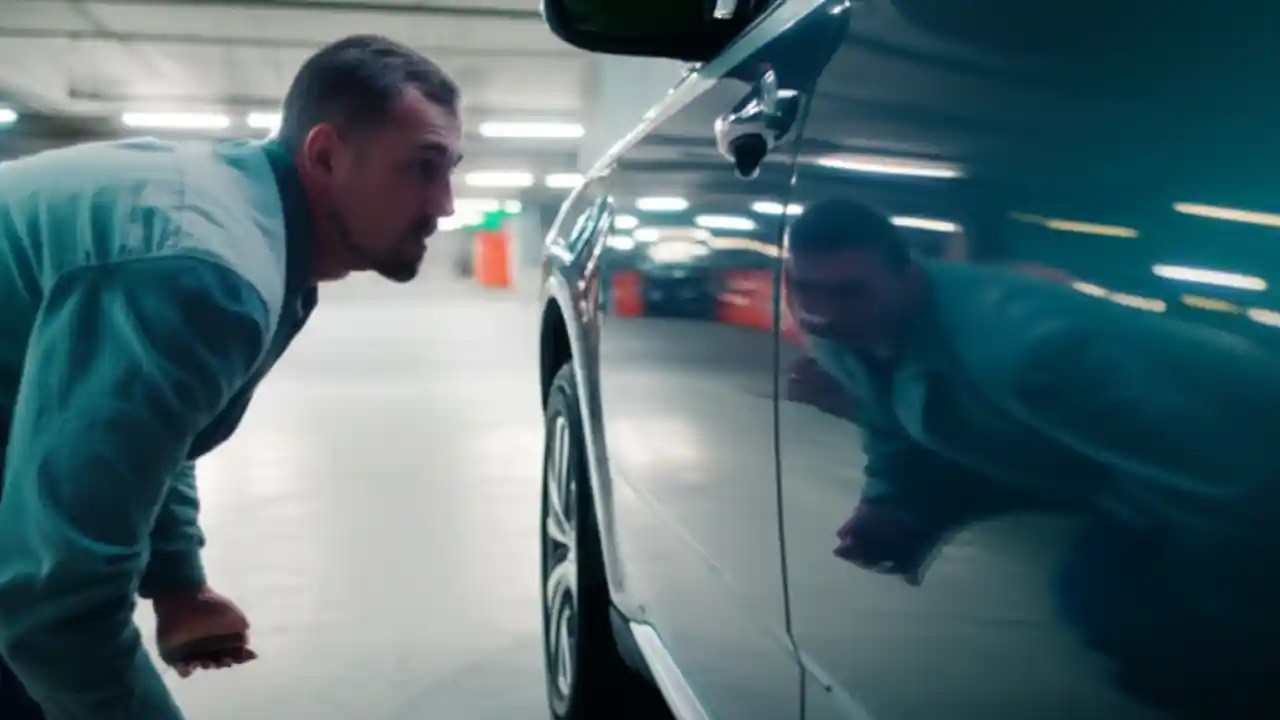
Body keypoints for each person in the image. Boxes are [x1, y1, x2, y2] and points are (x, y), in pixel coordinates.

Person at [0, 34, 461, 719]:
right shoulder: (201, 271)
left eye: (449, 169)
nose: (445, 204)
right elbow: (54, 609)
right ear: (325, 156)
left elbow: (152, 431)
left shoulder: (254, 232)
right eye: (422, 168)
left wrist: (177, 581)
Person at [783, 196, 1280, 714]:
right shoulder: (847, 330)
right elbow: (889, 420)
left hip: (1242, 447)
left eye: (849, 291)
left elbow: (1208, 467)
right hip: (1128, 463)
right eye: (808, 287)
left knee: (1122, 603)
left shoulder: (1028, 351)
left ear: (907, 274)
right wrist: (890, 503)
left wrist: (1227, 592)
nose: (824, 312)